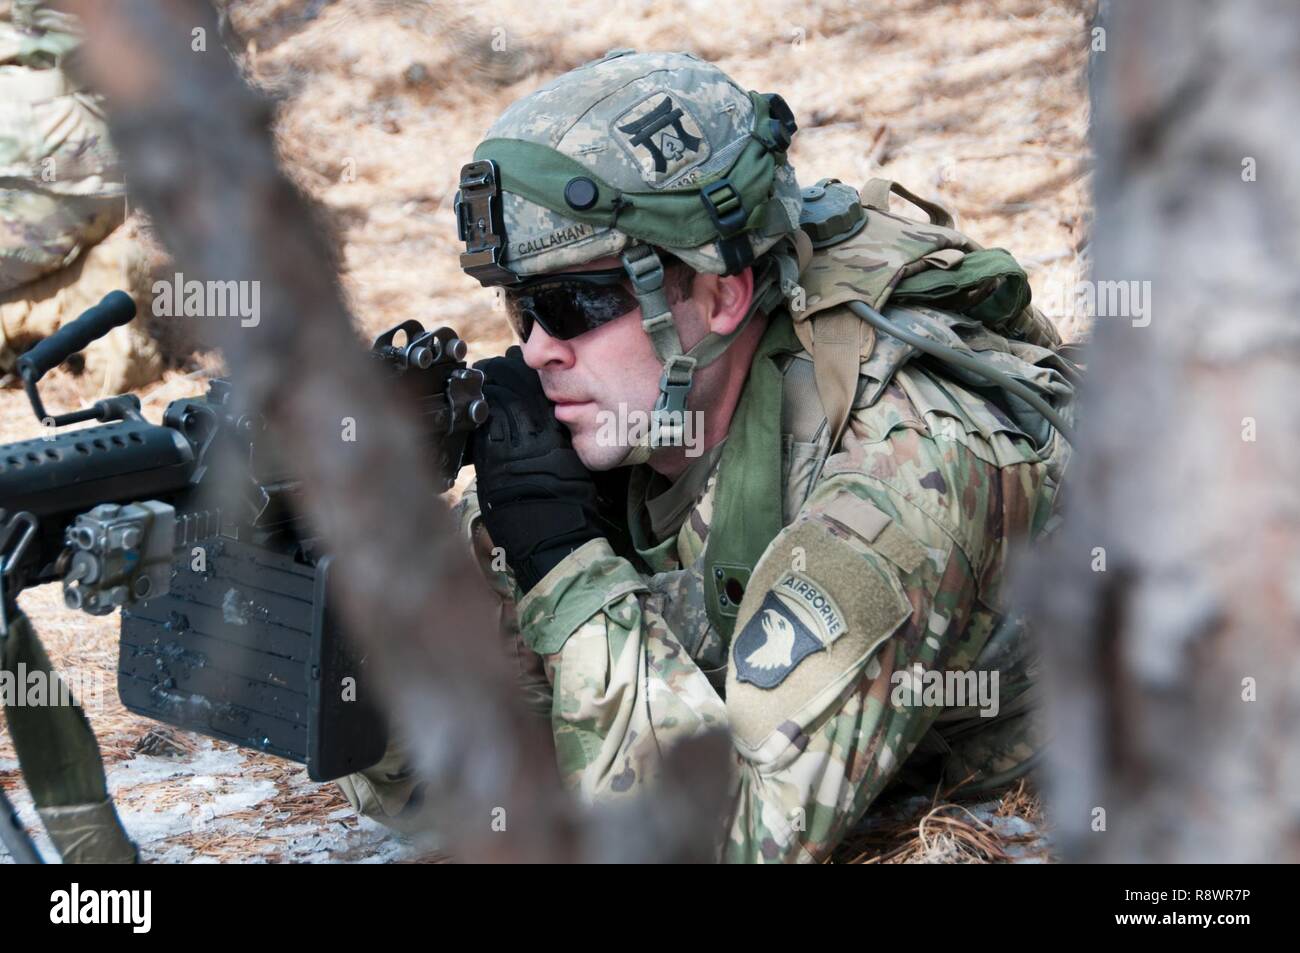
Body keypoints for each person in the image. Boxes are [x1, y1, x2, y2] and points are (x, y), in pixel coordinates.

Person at [338, 49, 1075, 862]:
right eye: (522, 309)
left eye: (574, 303)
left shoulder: (896, 472)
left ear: (720, 295)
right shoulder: (621, 430)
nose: (540, 349)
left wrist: (566, 567)